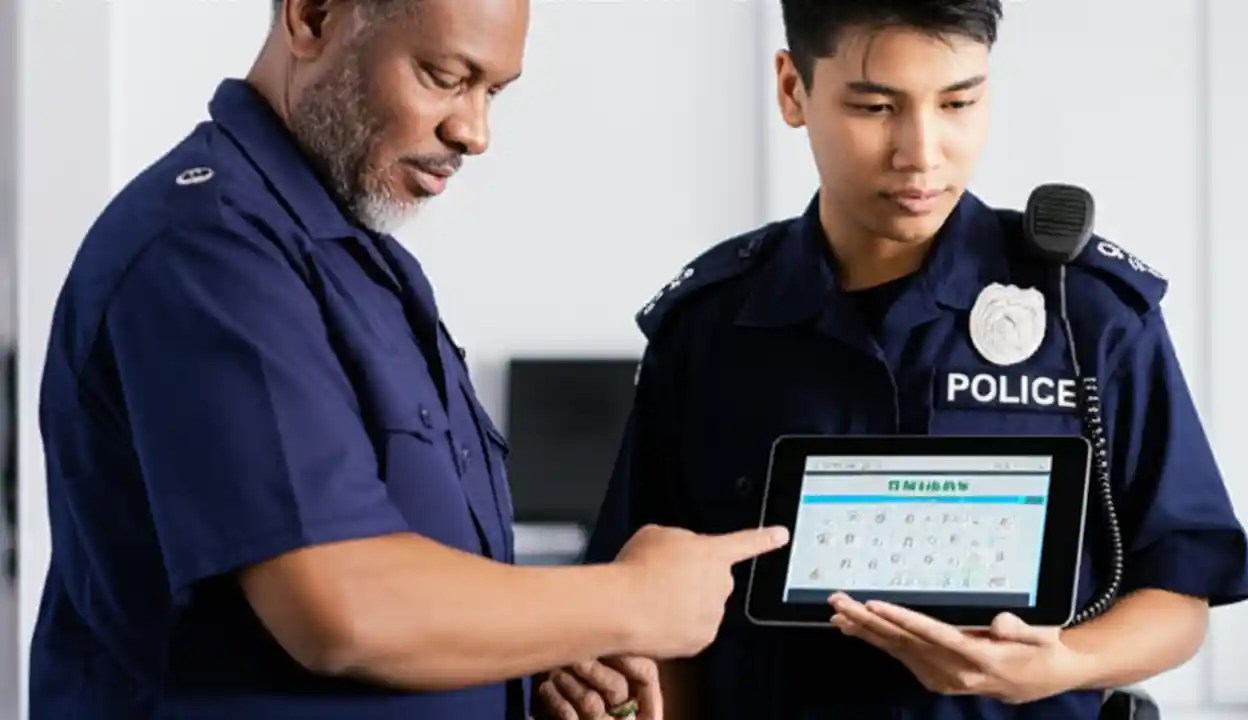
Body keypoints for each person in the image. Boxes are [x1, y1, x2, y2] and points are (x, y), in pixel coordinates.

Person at [28, 1, 791, 718]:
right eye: (446, 78)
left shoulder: (367, 267)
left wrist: (529, 660)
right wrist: (632, 599)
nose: (476, 131)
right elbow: (343, 606)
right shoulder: (209, 249)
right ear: (314, 15)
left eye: (495, 90)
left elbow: (408, 579)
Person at [538, 0, 1248, 718]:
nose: (922, 151)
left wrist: (1061, 664)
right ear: (794, 90)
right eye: (877, 107)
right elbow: (646, 606)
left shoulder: (1088, 312)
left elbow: (1180, 591)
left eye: (958, 102)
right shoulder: (711, 327)